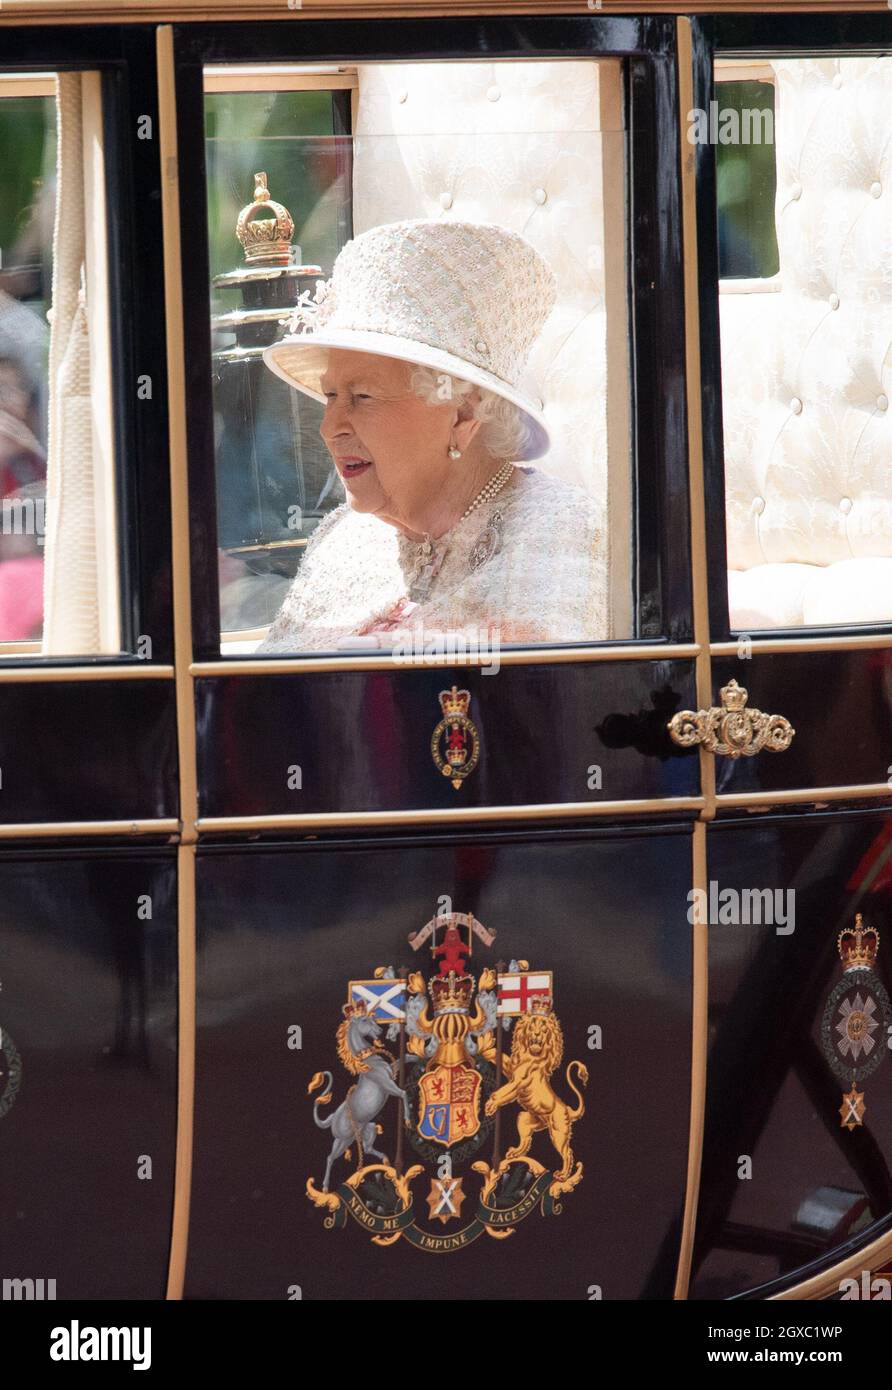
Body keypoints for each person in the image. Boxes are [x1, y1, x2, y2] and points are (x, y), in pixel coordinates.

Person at [258, 218, 607, 652]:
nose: (330, 427)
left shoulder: (564, 531)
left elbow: (538, 700)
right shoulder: (342, 539)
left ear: (462, 413)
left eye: (363, 396)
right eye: (330, 395)